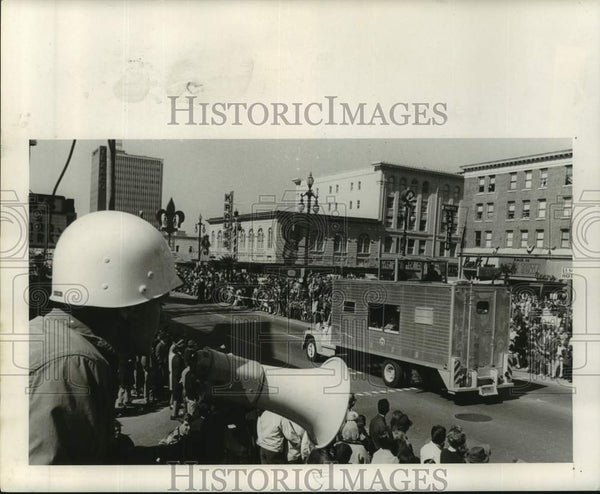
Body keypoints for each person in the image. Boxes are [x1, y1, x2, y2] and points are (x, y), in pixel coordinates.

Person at [29, 211, 181, 464]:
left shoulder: (51, 341)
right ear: (129, 308)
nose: (161, 318)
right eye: (160, 305)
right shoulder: (75, 365)